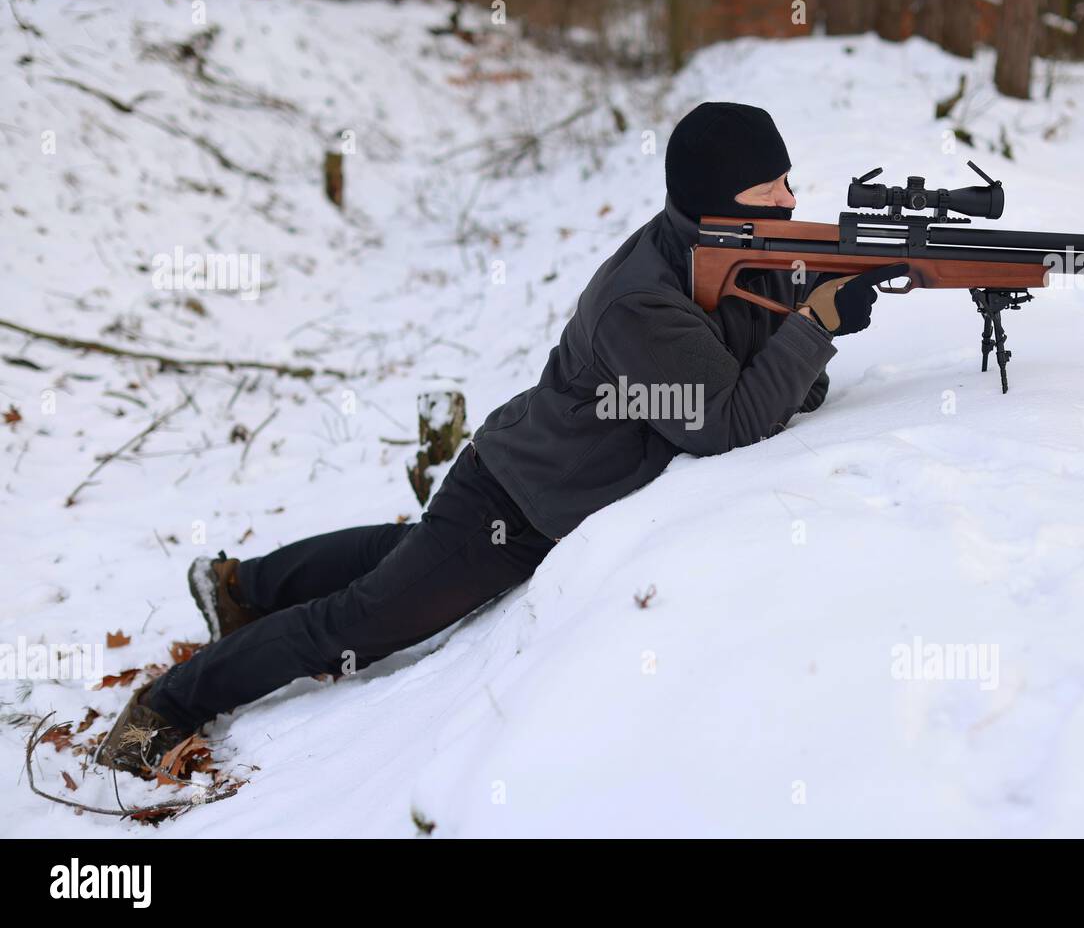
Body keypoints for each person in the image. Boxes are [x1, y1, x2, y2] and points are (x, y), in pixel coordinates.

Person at [96, 102, 881, 775]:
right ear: (720, 202)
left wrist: (814, 310)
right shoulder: (640, 300)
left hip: (540, 483)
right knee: (362, 622)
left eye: (786, 177)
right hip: (521, 497)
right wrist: (816, 326)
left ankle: (242, 587)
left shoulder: (741, 251)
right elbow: (724, 425)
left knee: (406, 558)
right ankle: (166, 703)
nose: (791, 194)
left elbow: (777, 389)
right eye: (769, 184)